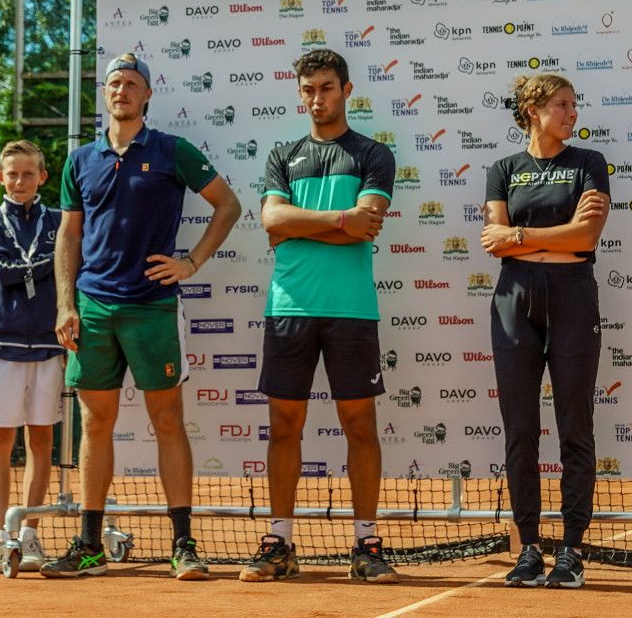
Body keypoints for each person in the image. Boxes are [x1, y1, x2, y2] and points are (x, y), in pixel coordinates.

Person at [47, 53, 241, 579]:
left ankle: (184, 545)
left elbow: (228, 205)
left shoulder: (172, 151)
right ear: (105, 94)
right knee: (96, 423)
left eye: (132, 83)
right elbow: (69, 234)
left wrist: (191, 262)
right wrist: (65, 303)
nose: (122, 91)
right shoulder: (79, 160)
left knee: (168, 421)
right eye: (114, 83)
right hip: (93, 307)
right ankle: (88, 545)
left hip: (152, 306)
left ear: (148, 95)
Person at [239, 49, 399, 586]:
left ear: (347, 90)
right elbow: (270, 218)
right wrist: (338, 219)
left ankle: (366, 543)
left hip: (352, 309)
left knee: (360, 426)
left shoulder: (375, 154)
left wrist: (299, 224)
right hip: (289, 307)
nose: (317, 97)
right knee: (284, 426)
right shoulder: (283, 154)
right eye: (308, 89)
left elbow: (366, 223)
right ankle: (279, 541)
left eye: (327, 87)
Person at [479, 74, 609, 589]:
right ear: (533, 110)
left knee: (575, 427)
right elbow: (493, 242)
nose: (572, 113)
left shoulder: (589, 163)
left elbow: (587, 234)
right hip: (514, 302)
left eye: (574, 104)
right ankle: (528, 546)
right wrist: (525, 239)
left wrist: (520, 234)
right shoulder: (502, 169)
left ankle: (573, 550)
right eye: (562, 104)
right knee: (520, 431)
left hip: (574, 295)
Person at [0, 140, 63, 574]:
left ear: (42, 177)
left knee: (41, 440)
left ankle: (28, 534)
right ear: (1, 178)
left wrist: (40, 261)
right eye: (13, 174)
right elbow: (3, 272)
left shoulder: (60, 220)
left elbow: (70, 262)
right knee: (0, 440)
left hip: (48, 342)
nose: (21, 181)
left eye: (29, 174)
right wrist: (51, 260)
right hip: (3, 342)